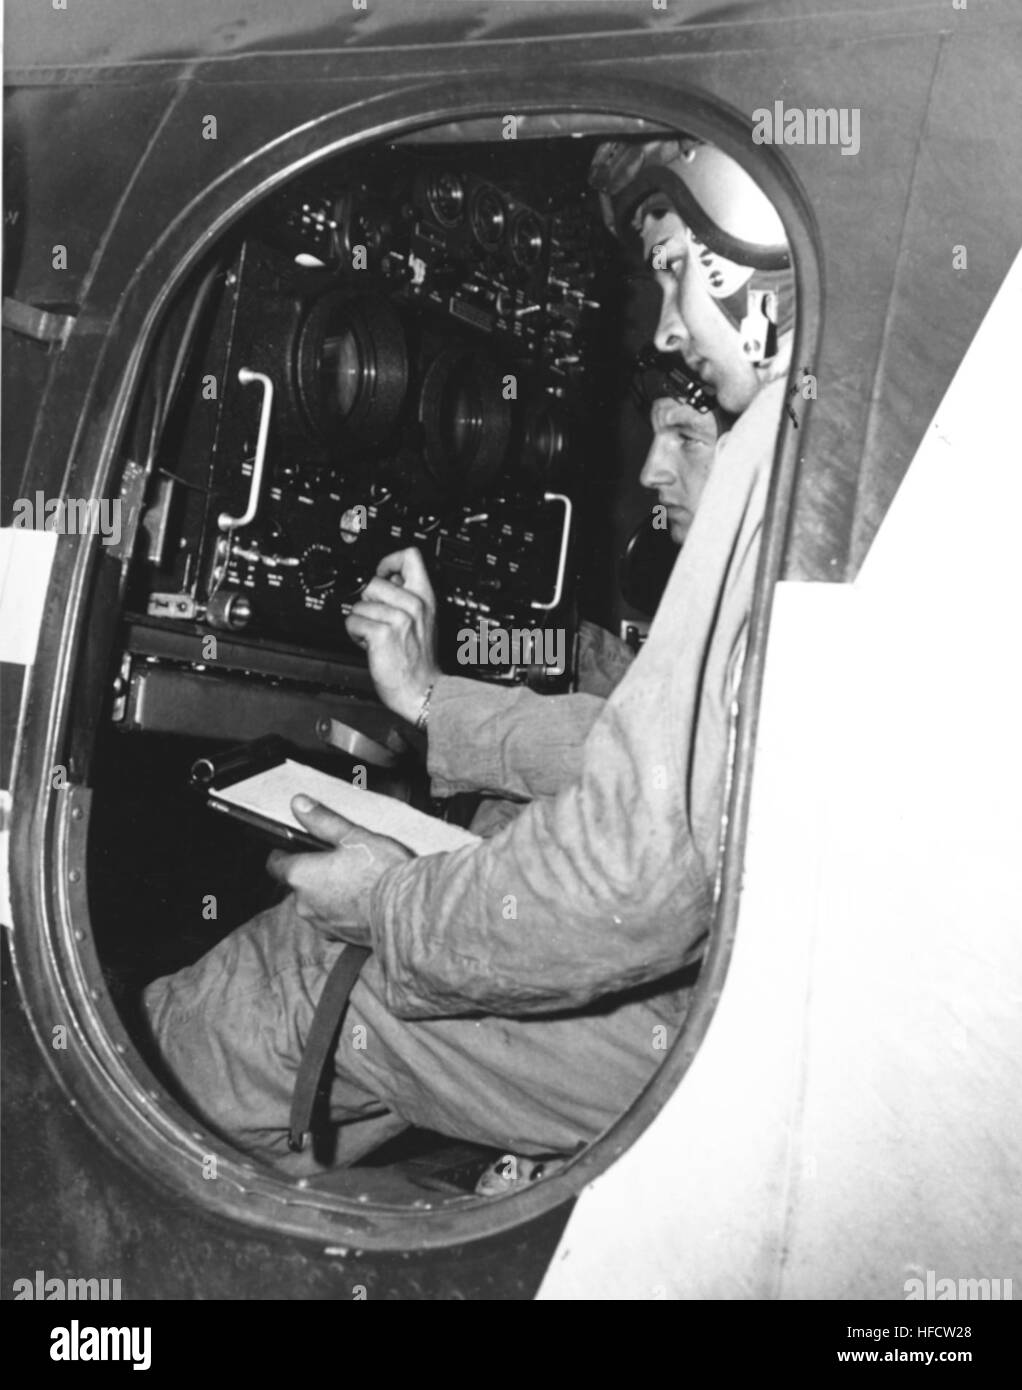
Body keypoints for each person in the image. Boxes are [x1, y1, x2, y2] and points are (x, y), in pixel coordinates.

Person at [143, 138, 796, 1178]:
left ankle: (81, 1190)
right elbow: (628, 754)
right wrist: (436, 700)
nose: (671, 319)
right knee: (485, 839)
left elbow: (632, 873)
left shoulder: (774, 452)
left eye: (678, 269)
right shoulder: (819, 460)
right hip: (764, 988)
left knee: (314, 960)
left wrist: (390, 907)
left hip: (727, 1027)